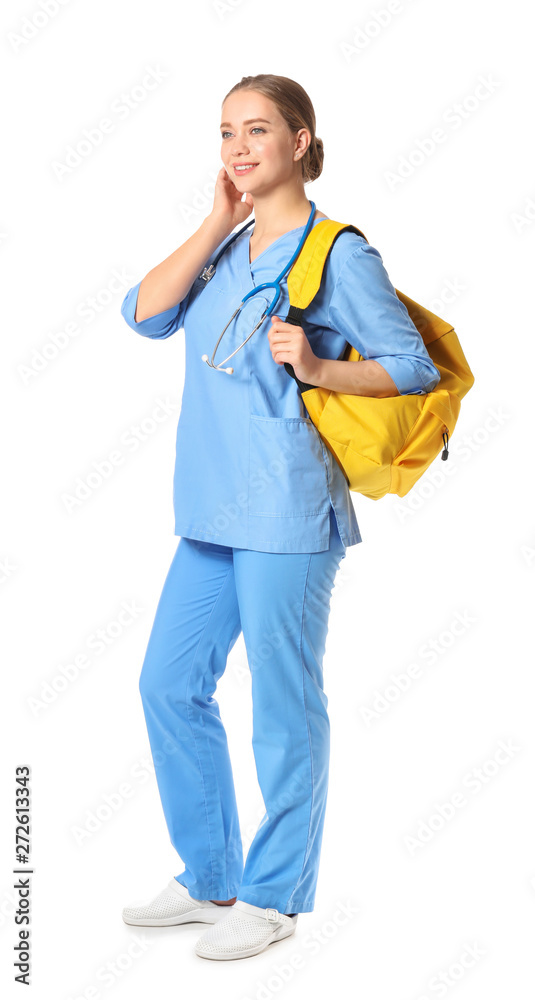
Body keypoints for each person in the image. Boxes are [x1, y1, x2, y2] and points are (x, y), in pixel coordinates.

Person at [119, 74, 441, 962]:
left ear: (302, 140)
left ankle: (273, 897)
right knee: (166, 683)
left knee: (282, 703)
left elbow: (411, 367)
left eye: (258, 129)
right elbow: (142, 315)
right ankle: (210, 874)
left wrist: (322, 369)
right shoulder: (225, 247)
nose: (239, 146)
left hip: (288, 512)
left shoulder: (336, 253)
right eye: (226, 131)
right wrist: (214, 221)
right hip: (212, 510)